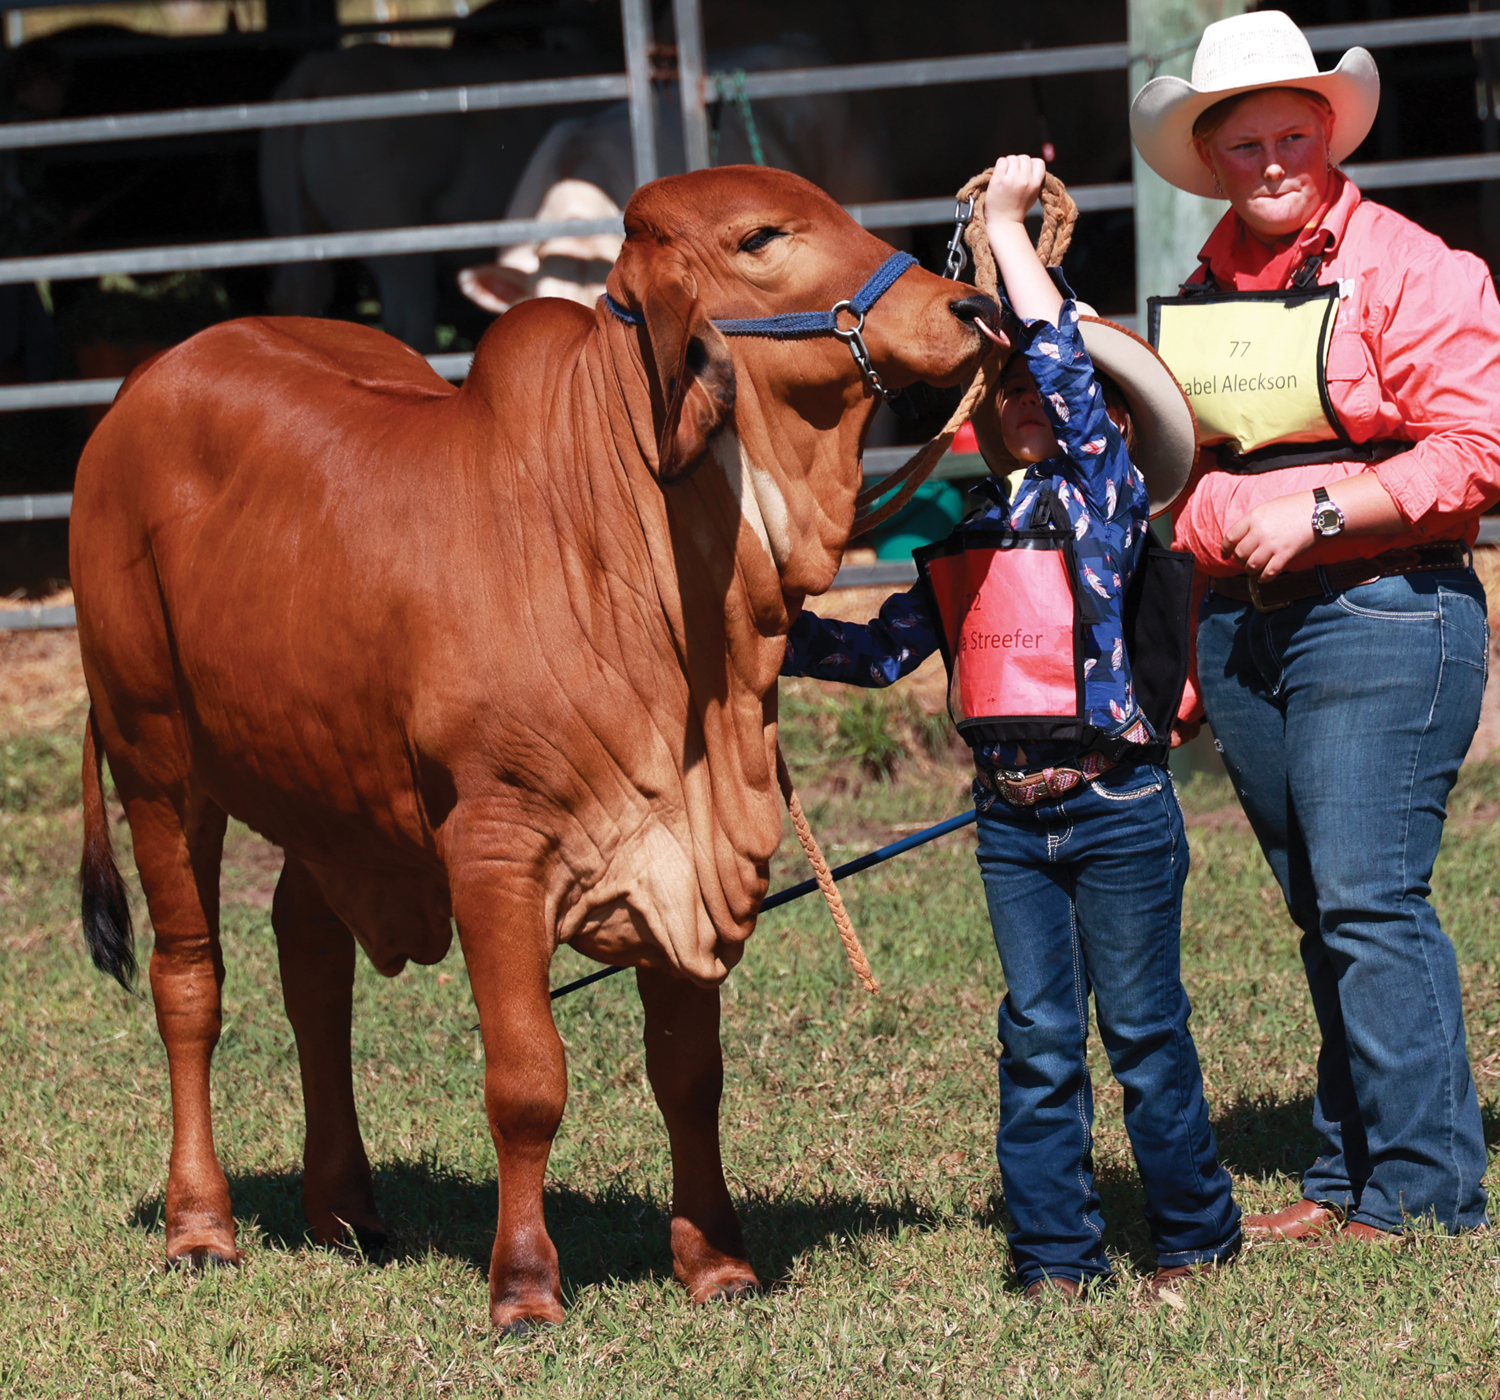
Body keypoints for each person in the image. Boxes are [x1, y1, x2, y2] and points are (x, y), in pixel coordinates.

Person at [781, 155, 1241, 1299]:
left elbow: (1074, 388)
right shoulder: (967, 537)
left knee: (1143, 1033)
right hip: (1011, 826)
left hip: (1119, 809)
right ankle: (1053, 1257)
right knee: (1038, 1039)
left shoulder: (1105, 495)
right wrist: (762, 631)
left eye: (1054, 390)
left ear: (1112, 425)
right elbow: (880, 648)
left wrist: (1003, 229)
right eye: (1013, 393)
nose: (1035, 402)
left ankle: (1193, 1230)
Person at [1131, 10, 1499, 1242]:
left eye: (1297, 132)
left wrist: (1324, 506)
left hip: (1389, 605)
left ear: (1330, 131)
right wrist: (1213, 544)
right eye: (1248, 144)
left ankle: (1427, 1187)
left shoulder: (1413, 266)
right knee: (1321, 901)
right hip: (1245, 621)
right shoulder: (1194, 300)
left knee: (1367, 895)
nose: (1276, 159)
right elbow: (1175, 477)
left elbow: (1477, 446)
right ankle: (1350, 1173)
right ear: (1213, 158)